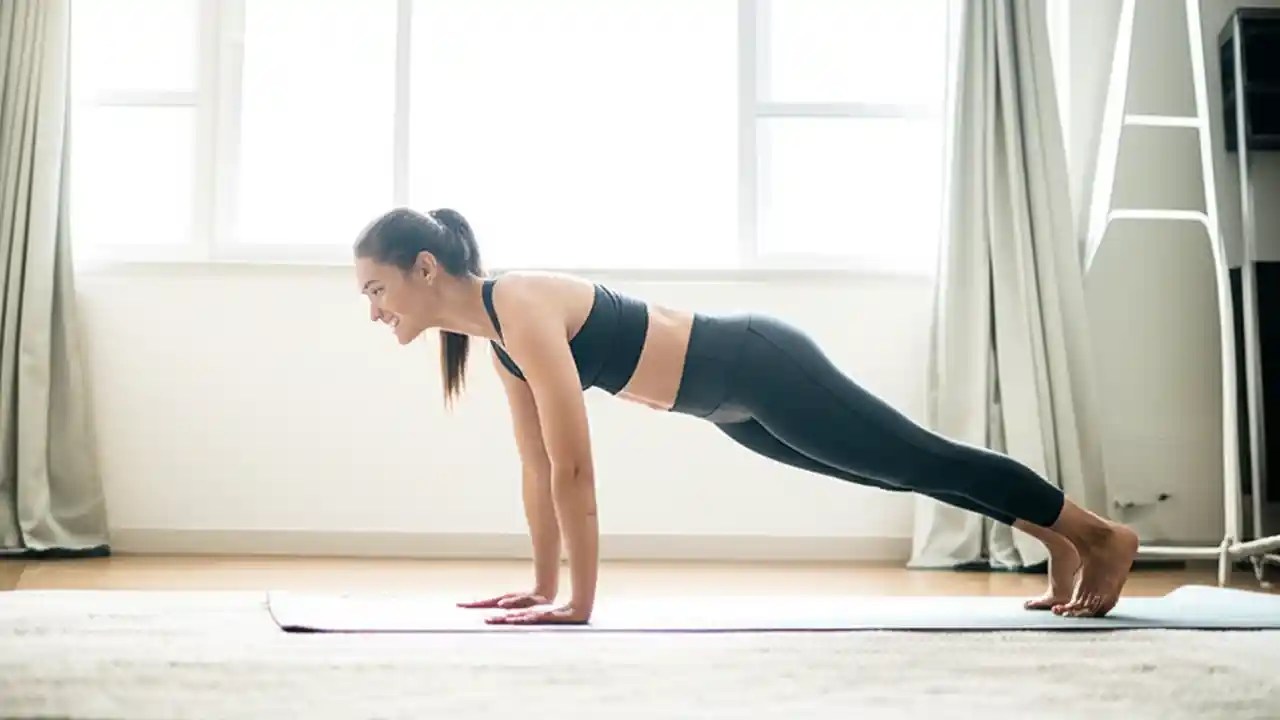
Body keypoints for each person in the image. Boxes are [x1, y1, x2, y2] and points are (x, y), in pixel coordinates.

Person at [353, 207, 1140, 626]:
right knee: (896, 469)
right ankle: (1054, 538)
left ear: (425, 268)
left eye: (377, 291)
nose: (375, 311)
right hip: (732, 408)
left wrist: (578, 605)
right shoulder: (502, 346)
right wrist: (541, 585)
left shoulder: (519, 302)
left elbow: (574, 467)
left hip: (757, 366)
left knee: (914, 457)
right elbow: (535, 471)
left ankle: (1100, 536)